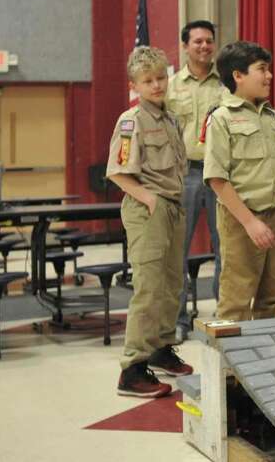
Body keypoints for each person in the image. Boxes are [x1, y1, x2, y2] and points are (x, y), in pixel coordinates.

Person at [106, 46, 194, 398]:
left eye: (160, 77)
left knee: (172, 285)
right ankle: (133, 369)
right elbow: (118, 172)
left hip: (172, 207)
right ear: (135, 85)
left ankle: (159, 348)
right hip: (149, 210)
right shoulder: (131, 121)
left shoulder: (169, 118)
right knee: (148, 289)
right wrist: (150, 199)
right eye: (148, 81)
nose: (156, 85)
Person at [202, 41, 275, 321]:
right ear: (238, 76)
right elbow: (216, 179)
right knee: (235, 301)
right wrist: (250, 222)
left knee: (273, 299)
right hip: (242, 220)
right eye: (261, 69)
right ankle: (230, 366)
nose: (269, 76)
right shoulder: (222, 119)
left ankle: (268, 364)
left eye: (269, 69)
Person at [166, 19, 225, 341]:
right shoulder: (171, 86)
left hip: (220, 176)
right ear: (185, 46)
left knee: (225, 248)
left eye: (209, 41)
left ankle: (223, 315)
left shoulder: (228, 84)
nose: (204, 46)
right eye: (198, 41)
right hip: (184, 173)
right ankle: (178, 320)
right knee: (178, 249)